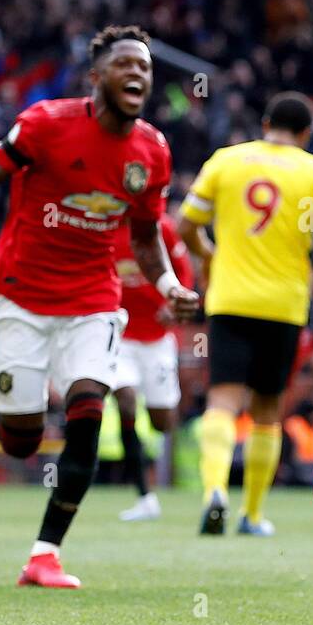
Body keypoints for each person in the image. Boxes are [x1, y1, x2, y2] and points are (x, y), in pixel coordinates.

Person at [0, 25, 199, 588]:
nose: (138, 74)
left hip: (92, 299)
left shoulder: (152, 150)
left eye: (146, 68)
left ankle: (45, 554)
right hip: (20, 294)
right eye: (125, 65)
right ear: (96, 77)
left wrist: (170, 287)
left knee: (88, 413)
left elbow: (144, 235)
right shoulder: (45, 124)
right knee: (21, 441)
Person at [179, 91, 313, 536]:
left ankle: (214, 492)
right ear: (306, 133)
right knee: (266, 411)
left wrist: (207, 255)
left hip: (229, 299)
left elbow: (186, 225)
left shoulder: (226, 161)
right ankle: (253, 514)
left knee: (222, 401)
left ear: (264, 125)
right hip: (283, 305)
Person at [112, 212, 196, 522]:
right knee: (125, 400)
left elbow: (184, 271)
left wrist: (172, 305)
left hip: (158, 338)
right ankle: (144, 495)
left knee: (161, 420)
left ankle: (163, 478)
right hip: (118, 333)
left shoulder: (162, 228)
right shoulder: (104, 226)